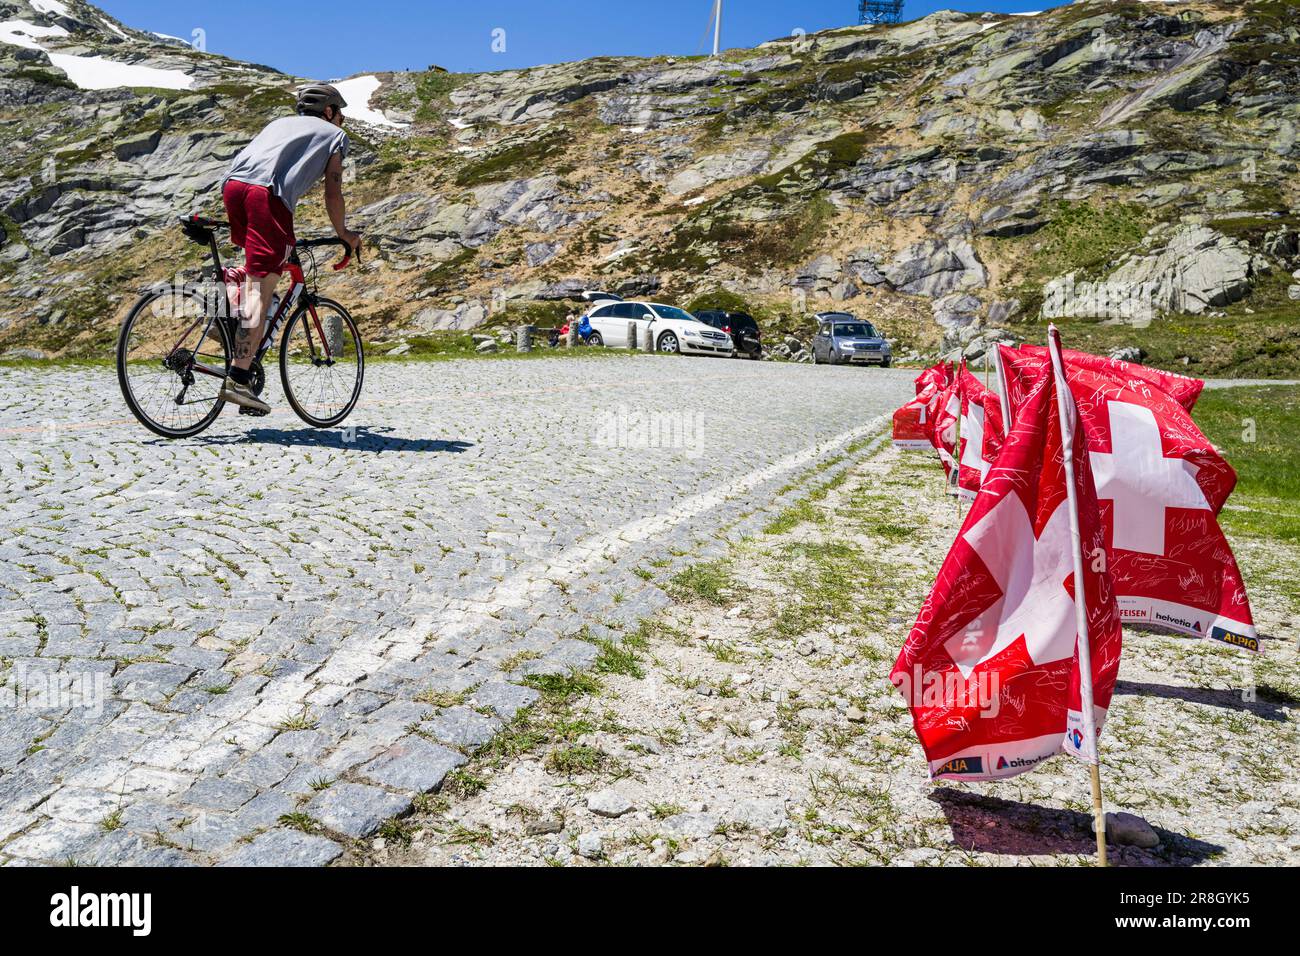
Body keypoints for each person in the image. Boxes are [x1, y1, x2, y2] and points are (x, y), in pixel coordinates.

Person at [218, 83, 363, 414]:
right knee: (261, 287)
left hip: (234, 187)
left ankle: (224, 320)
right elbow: (333, 192)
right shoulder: (333, 135)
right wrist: (344, 233)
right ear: (329, 112)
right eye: (340, 113)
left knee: (256, 270)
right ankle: (239, 379)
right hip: (266, 195)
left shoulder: (278, 124)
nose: (341, 120)